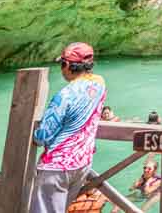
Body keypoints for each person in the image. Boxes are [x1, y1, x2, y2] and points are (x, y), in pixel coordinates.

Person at [30, 42, 107, 213]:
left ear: (67, 65)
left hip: (56, 168)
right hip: (82, 163)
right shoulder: (100, 84)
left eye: (62, 63)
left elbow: (41, 137)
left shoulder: (65, 95)